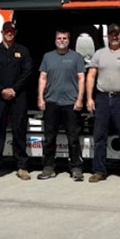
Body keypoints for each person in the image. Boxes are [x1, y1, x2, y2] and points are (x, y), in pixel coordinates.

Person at [85, 23, 120, 185]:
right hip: (102, 99)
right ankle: (99, 171)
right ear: (107, 36)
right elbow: (91, 76)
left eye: (117, 34)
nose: (114, 37)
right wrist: (89, 98)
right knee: (99, 136)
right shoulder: (99, 54)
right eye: (111, 34)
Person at [0, 21, 33, 181]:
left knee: (19, 130)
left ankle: (21, 166)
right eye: (7, 31)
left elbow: (27, 71)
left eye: (12, 31)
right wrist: (2, 90)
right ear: (2, 33)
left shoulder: (22, 51)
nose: (9, 33)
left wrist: (14, 89)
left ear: (15, 32)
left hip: (18, 97)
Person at [37, 29, 87, 181]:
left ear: (69, 40)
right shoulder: (48, 57)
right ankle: (48, 167)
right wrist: (40, 98)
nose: (62, 40)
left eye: (65, 38)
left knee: (73, 138)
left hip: (71, 104)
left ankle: (76, 168)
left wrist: (79, 100)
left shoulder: (76, 57)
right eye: (59, 38)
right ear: (55, 40)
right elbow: (42, 78)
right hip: (51, 102)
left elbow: (81, 79)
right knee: (49, 137)